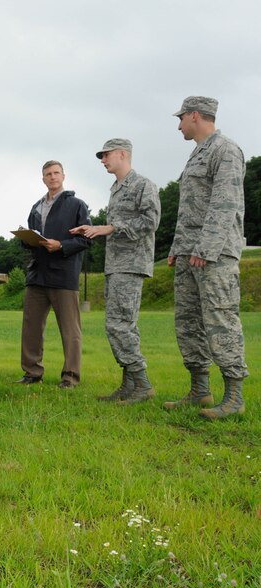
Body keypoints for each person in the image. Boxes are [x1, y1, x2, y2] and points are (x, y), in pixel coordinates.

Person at [163, 96, 249, 419]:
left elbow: (225, 203)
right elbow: (188, 209)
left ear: (195, 115)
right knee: (188, 322)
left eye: (181, 118)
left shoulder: (225, 150)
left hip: (214, 256)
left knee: (220, 319)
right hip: (189, 253)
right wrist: (177, 248)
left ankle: (234, 397)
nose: (179, 125)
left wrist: (206, 248)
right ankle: (200, 389)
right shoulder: (197, 154)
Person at [70, 139, 161, 404]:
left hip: (131, 265)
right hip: (116, 264)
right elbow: (118, 226)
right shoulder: (116, 189)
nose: (103, 160)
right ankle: (129, 385)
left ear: (122, 154)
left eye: (106, 155)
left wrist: (111, 227)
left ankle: (143, 385)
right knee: (121, 325)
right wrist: (94, 229)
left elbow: (151, 221)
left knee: (118, 325)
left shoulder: (143, 185)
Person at [16, 161, 92, 388]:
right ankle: (32, 373)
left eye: (56, 173)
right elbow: (32, 241)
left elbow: (86, 240)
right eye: (48, 174)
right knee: (31, 328)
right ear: (43, 179)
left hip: (64, 275)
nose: (52, 177)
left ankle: (70, 377)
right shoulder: (36, 207)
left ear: (63, 176)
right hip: (37, 275)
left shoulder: (77, 205)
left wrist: (61, 245)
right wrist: (26, 239)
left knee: (70, 330)